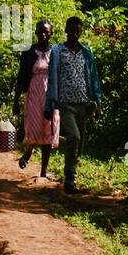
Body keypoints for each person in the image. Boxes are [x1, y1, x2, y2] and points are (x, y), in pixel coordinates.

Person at [44, 15, 103, 195]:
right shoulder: (58, 50)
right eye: (71, 30)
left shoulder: (86, 52)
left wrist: (97, 100)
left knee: (81, 143)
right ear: (66, 30)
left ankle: (72, 173)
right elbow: (52, 77)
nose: (74, 34)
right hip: (65, 103)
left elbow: (93, 77)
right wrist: (50, 103)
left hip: (84, 103)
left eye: (78, 31)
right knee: (74, 137)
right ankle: (69, 178)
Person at [13, 18, 60, 179]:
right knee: (34, 127)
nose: (43, 34)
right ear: (35, 33)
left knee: (48, 128)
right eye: (40, 31)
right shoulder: (28, 53)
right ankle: (29, 151)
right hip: (33, 93)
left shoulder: (56, 53)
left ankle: (43, 172)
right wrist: (16, 101)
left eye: (46, 31)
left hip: (51, 95)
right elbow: (21, 78)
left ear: (51, 33)